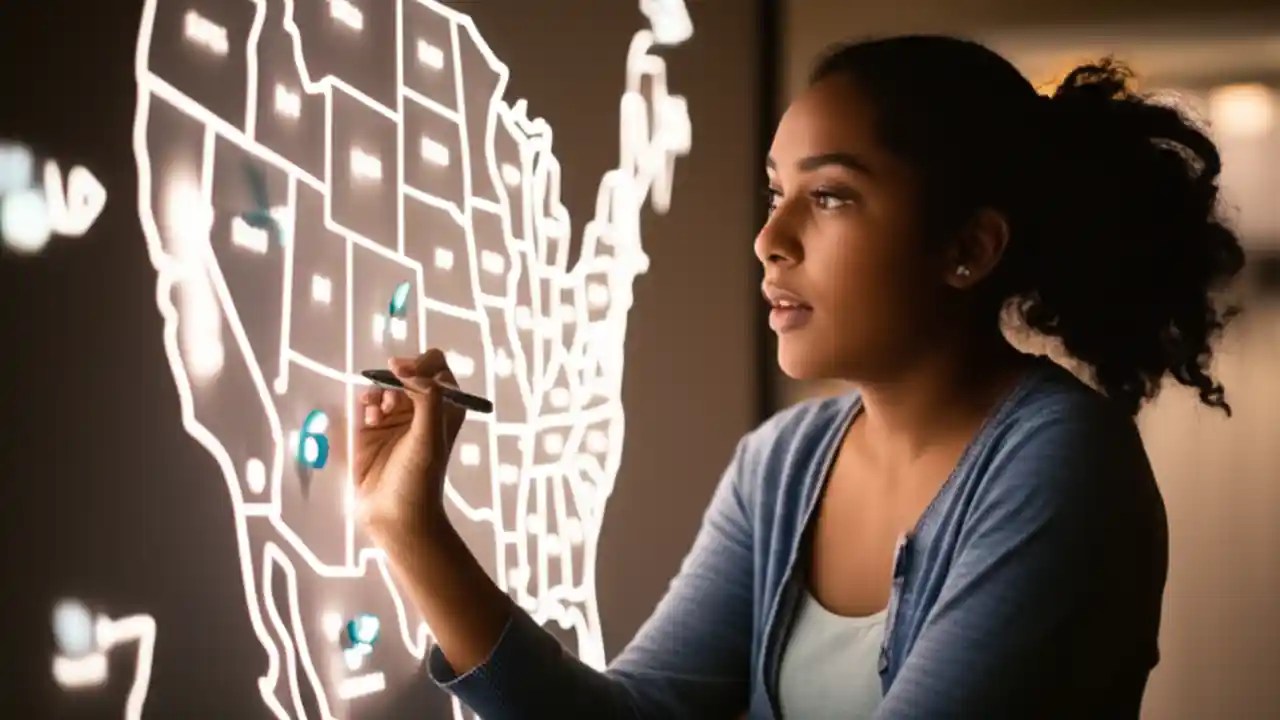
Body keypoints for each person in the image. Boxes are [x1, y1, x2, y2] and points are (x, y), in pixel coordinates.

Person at [352, 34, 1245, 719]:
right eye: (774, 193)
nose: (769, 240)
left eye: (829, 196)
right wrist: (411, 529)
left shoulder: (1061, 463)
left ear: (969, 248)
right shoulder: (781, 462)